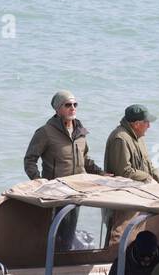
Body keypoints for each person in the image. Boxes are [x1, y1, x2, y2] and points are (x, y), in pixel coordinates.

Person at [23, 90, 104, 250]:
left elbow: (85, 159)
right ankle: (49, 267)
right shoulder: (45, 132)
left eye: (75, 104)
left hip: (78, 192)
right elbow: (30, 159)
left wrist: (101, 173)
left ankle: (64, 263)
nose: (72, 108)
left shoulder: (80, 132)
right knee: (54, 236)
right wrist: (38, 180)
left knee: (69, 235)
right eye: (68, 105)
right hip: (56, 194)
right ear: (57, 109)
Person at [104, 104, 159, 248]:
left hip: (138, 195)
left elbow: (149, 164)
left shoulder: (139, 137)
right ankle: (114, 265)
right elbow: (124, 171)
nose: (149, 126)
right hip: (123, 198)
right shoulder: (121, 139)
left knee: (134, 236)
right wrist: (148, 179)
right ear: (136, 124)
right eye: (146, 122)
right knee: (119, 234)